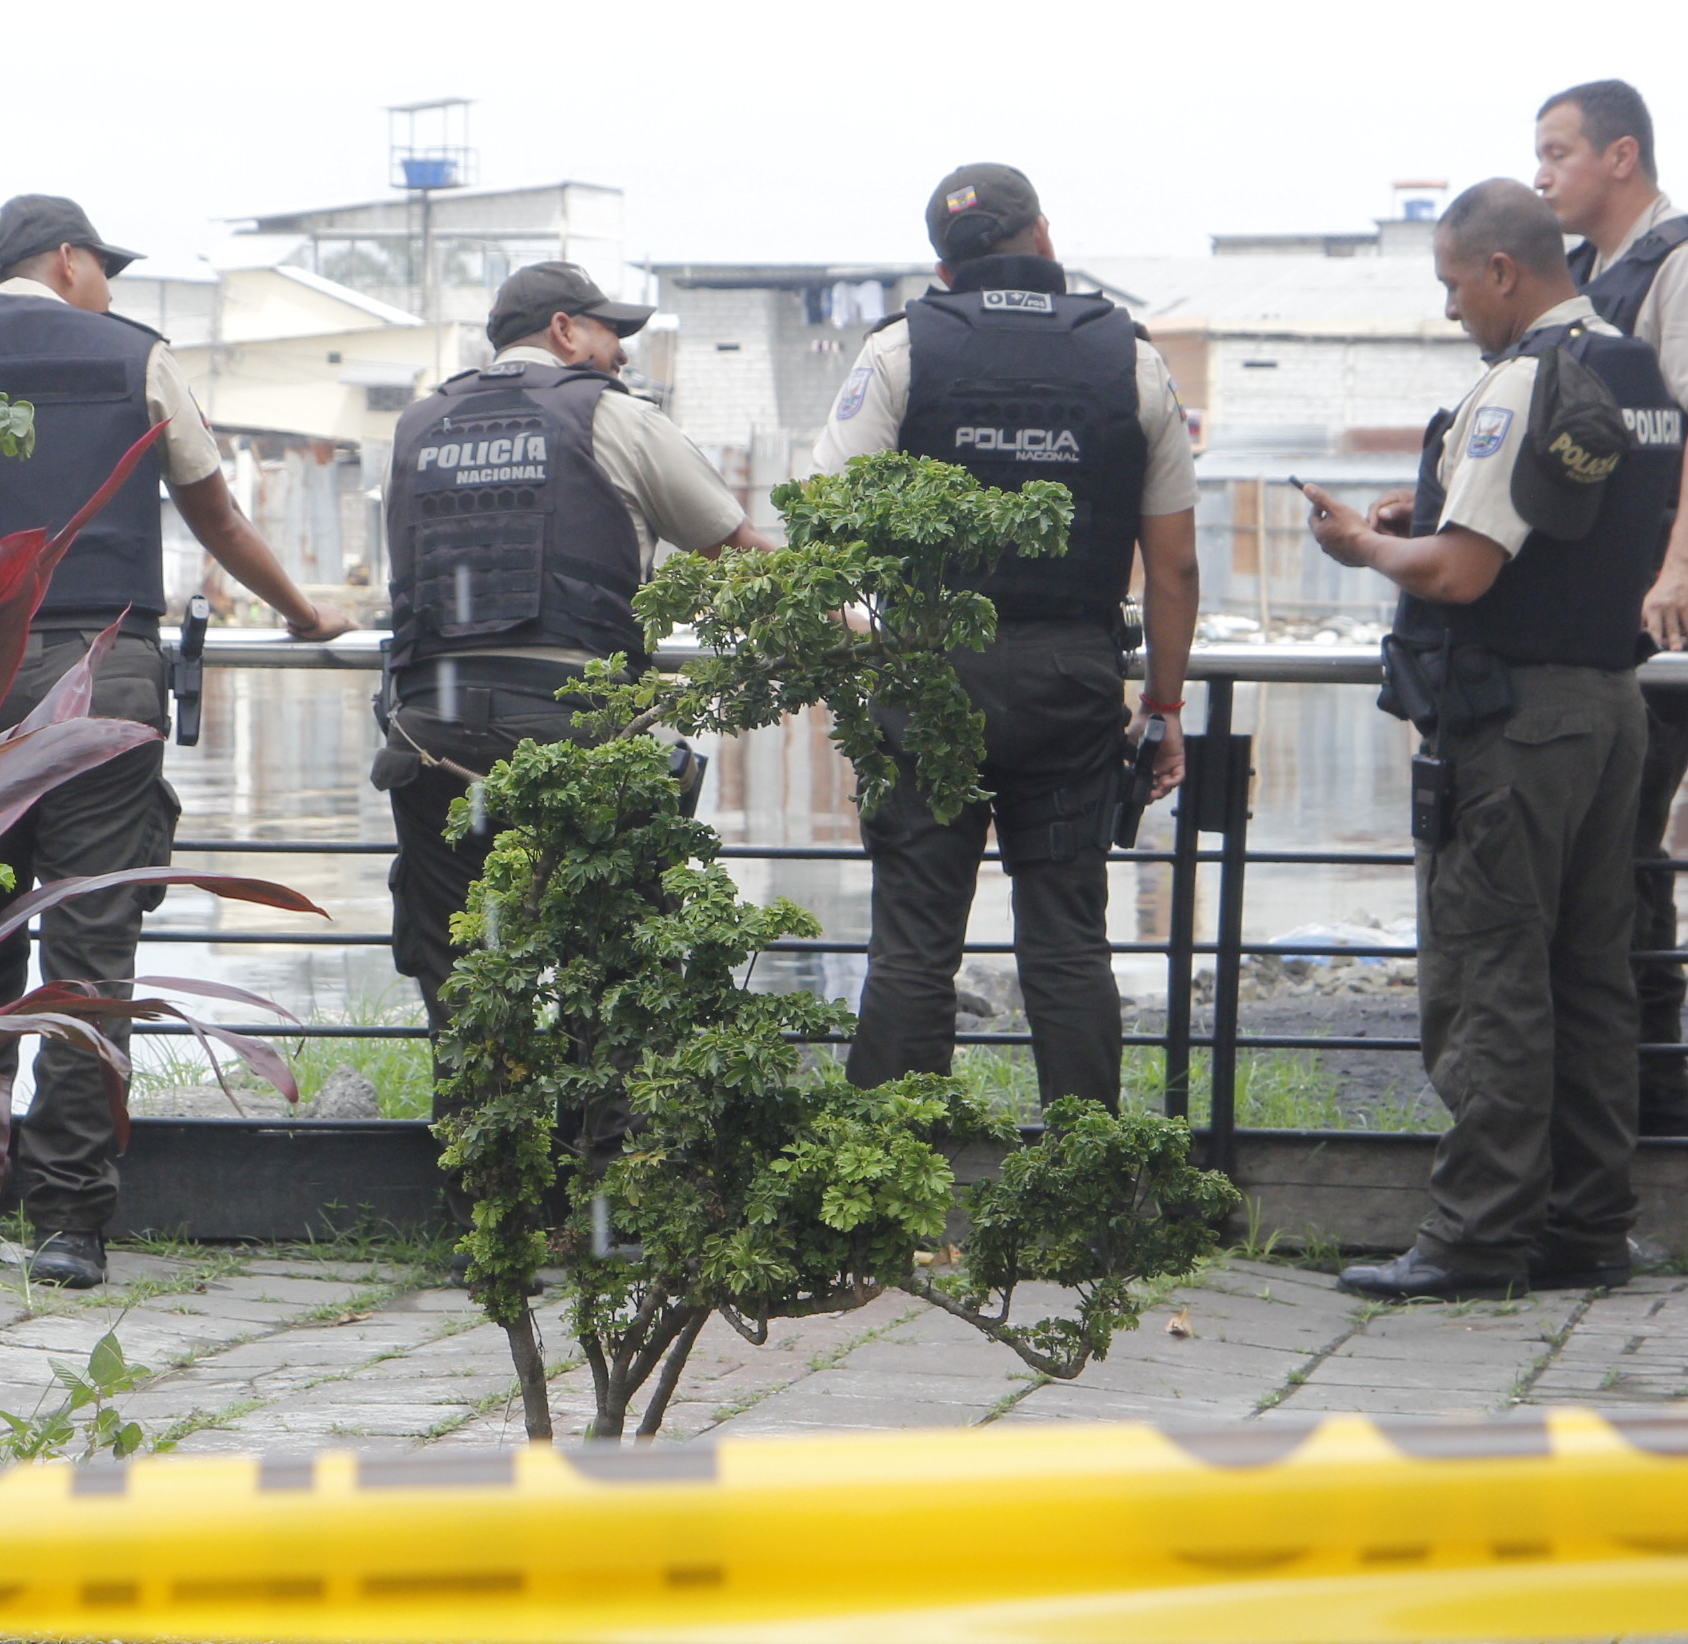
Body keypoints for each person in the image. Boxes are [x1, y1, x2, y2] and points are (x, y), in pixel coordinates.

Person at [0, 194, 356, 1289]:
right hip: (100, 667)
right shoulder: (135, 358)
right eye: (102, 266)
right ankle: (68, 1225)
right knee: (90, 948)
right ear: (67, 260)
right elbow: (215, 516)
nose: (107, 286)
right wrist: (304, 614)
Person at [1297, 180, 1687, 1301]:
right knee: (1590, 979)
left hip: (1516, 725)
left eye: (1455, 283)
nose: (1454, 307)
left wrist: (1366, 548)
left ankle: (1476, 1237)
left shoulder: (1520, 380)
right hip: (1613, 709)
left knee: (1492, 976)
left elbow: (1466, 573)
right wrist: (1433, 517)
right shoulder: (1635, 371)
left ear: (1503, 270)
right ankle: (1585, 1226)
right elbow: (1569, 527)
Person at [810, 163, 1198, 1109]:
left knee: (913, 947)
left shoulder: (902, 352)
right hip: (1072, 677)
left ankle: (888, 1194)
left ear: (943, 268)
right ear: (1046, 238)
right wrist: (1163, 705)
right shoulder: (1131, 358)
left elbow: (819, 534)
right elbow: (1177, 568)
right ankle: (1091, 1193)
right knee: (1068, 944)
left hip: (931, 679)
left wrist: (866, 646)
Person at [376, 261, 767, 1031]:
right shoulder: (615, 416)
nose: (620, 352)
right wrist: (859, 621)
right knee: (617, 962)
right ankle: (609, 1145)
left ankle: (482, 1142)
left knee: (465, 969)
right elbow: (739, 549)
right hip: (575, 727)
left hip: (430, 730)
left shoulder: (417, 426)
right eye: (610, 331)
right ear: (564, 330)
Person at [1534, 80, 1688, 1138]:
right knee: (1595, 846)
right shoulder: (1583, 280)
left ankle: (1654, 1104)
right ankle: (1609, 1102)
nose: (1543, 175)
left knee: (1621, 841)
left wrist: (1679, 570)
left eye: (1559, 153)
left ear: (1620, 156)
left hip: (1661, 603)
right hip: (1589, 599)